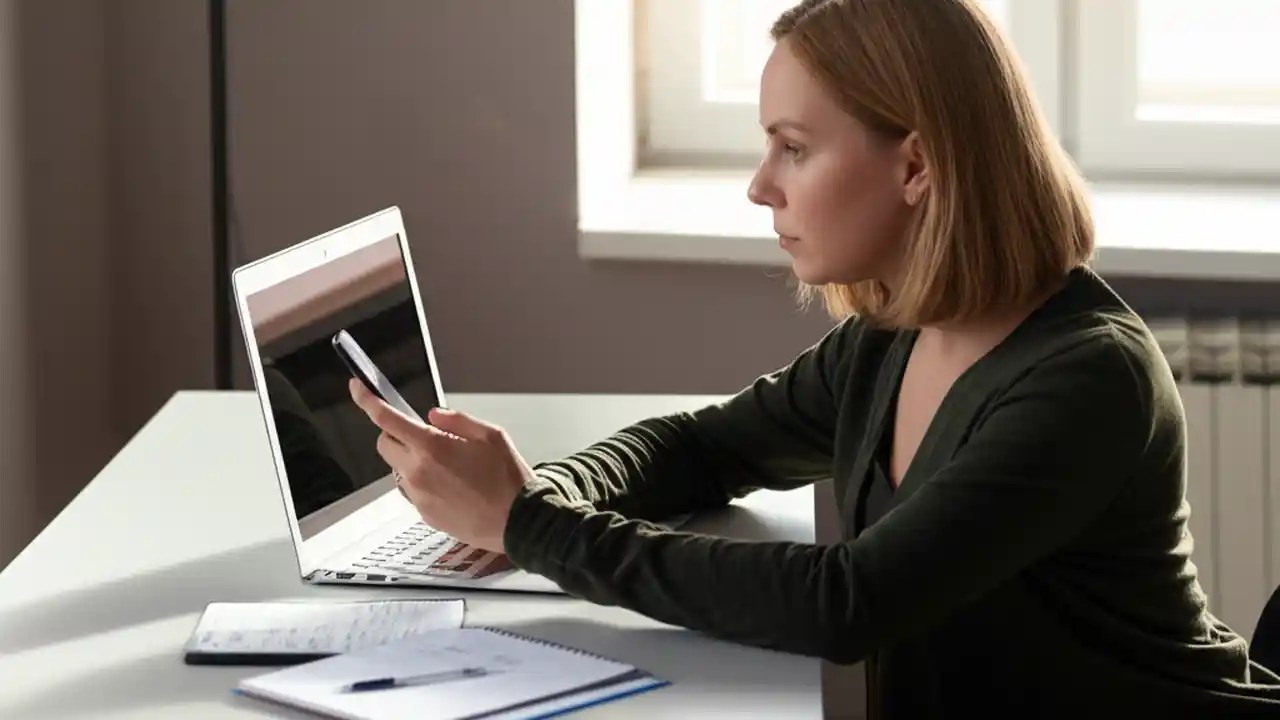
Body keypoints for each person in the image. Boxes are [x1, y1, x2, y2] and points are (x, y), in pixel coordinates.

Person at [347, 0, 1280, 715]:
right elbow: (705, 446)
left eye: (793, 149)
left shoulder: (1085, 380)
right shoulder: (891, 338)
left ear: (917, 168)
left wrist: (532, 526)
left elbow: (846, 603)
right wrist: (534, 495)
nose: (760, 187)